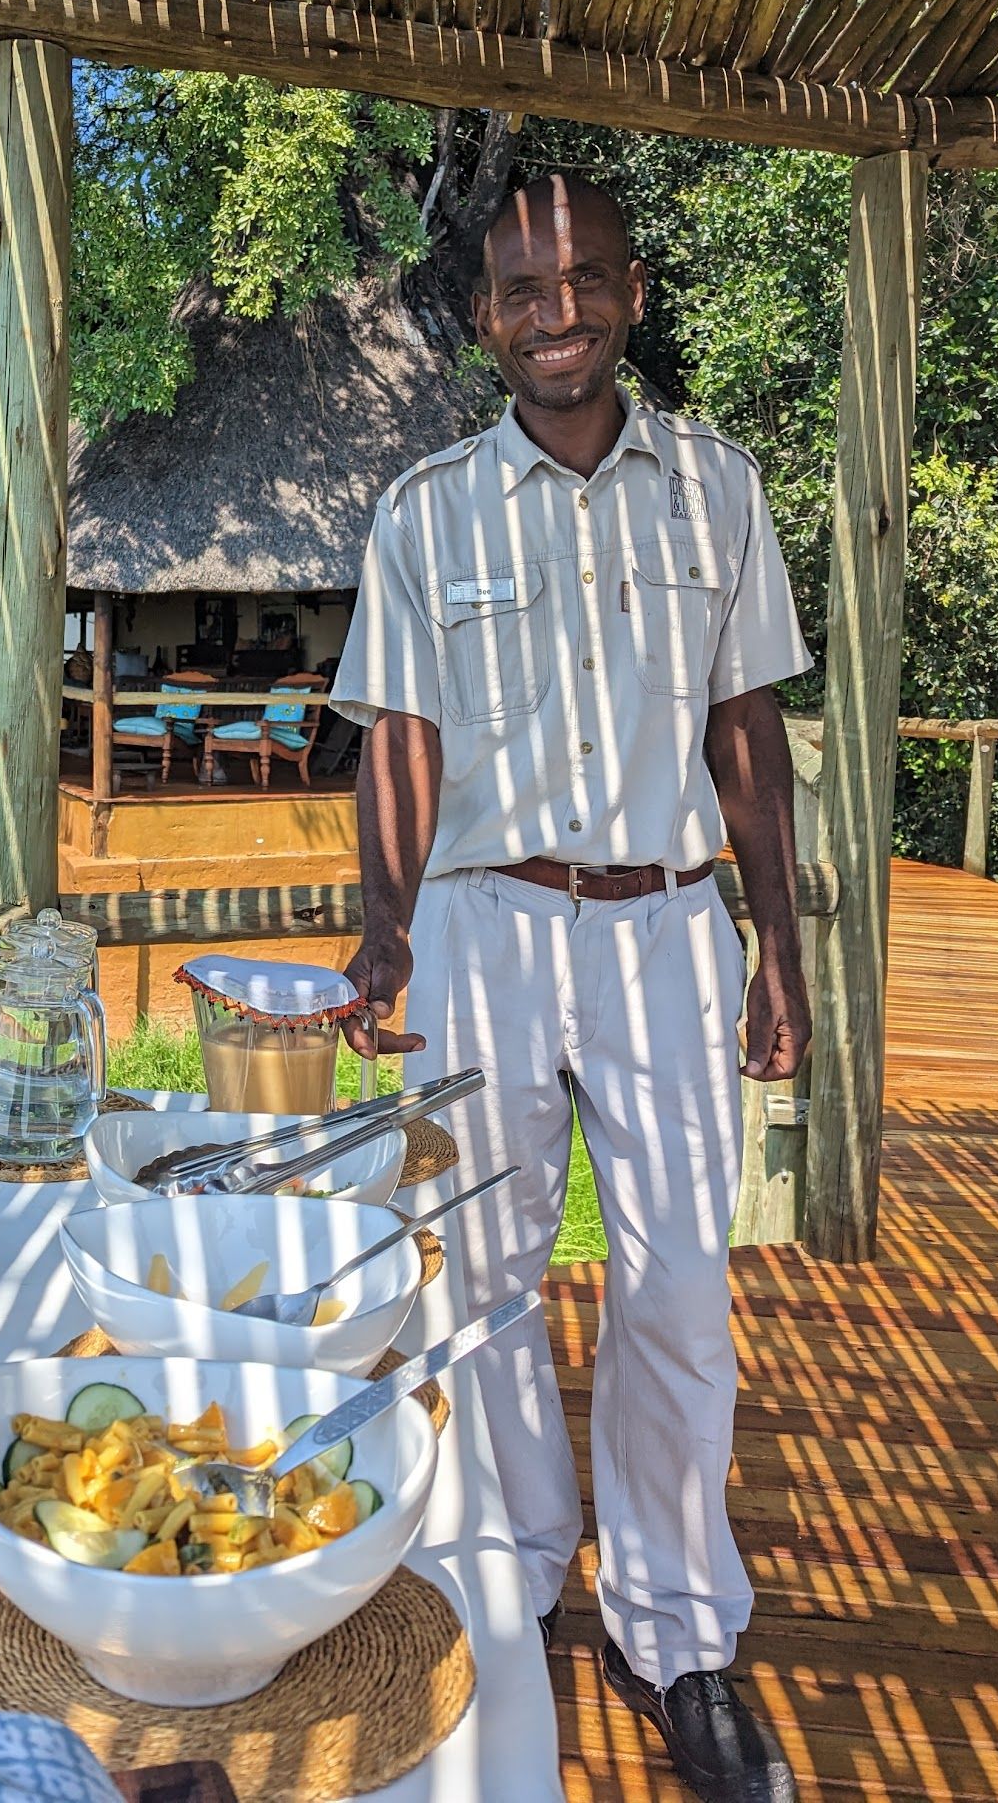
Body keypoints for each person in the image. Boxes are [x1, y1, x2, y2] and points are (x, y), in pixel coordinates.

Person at [332, 174, 809, 1803]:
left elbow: (748, 737)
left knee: (679, 1281)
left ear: (634, 288)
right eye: (524, 289)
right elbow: (402, 736)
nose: (559, 311)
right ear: (483, 317)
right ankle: (515, 1569)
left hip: (670, 930)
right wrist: (383, 933)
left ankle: (677, 1628)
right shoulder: (426, 511)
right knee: (479, 1278)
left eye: (587, 279)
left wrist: (780, 951)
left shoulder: (720, 492)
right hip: (483, 936)